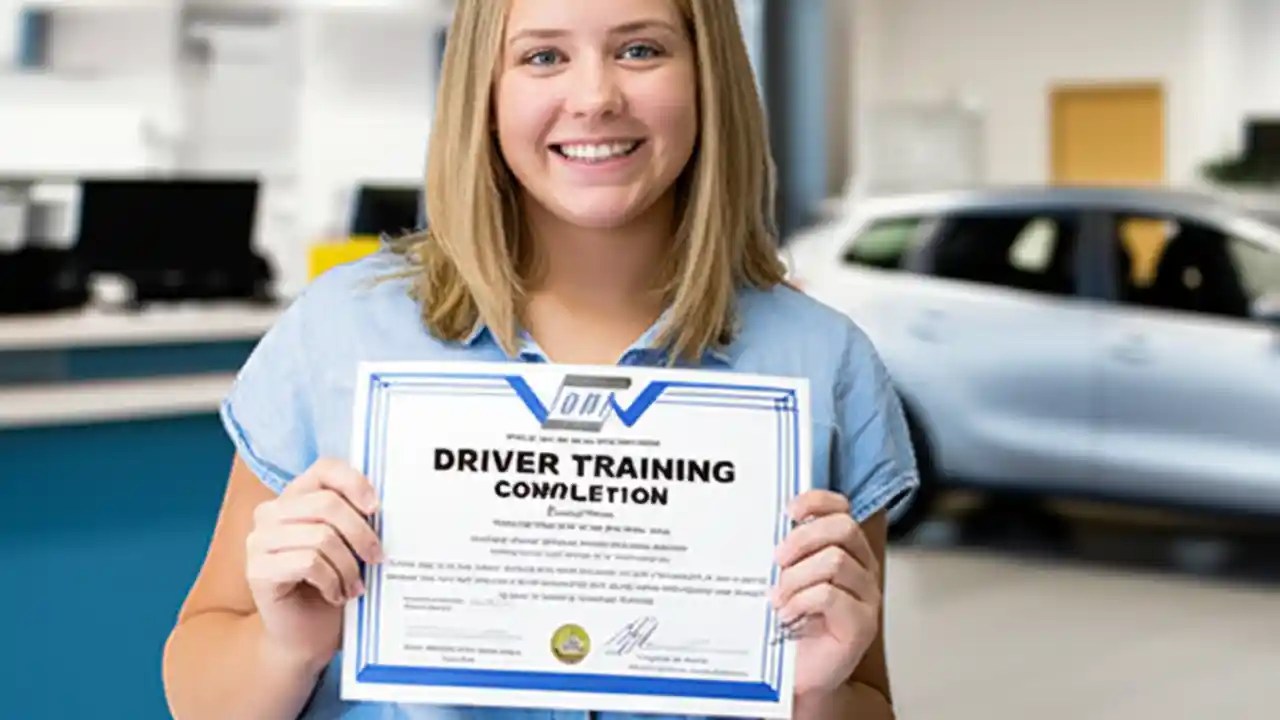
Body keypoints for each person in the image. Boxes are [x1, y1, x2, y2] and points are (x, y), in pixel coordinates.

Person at [161, 0, 919, 718]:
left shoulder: (824, 365)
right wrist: (285, 646)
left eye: (640, 48)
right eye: (543, 55)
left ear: (708, 73)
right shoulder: (340, 333)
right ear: (484, 89)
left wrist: (814, 697)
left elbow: (867, 699)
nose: (594, 96)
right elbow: (198, 695)